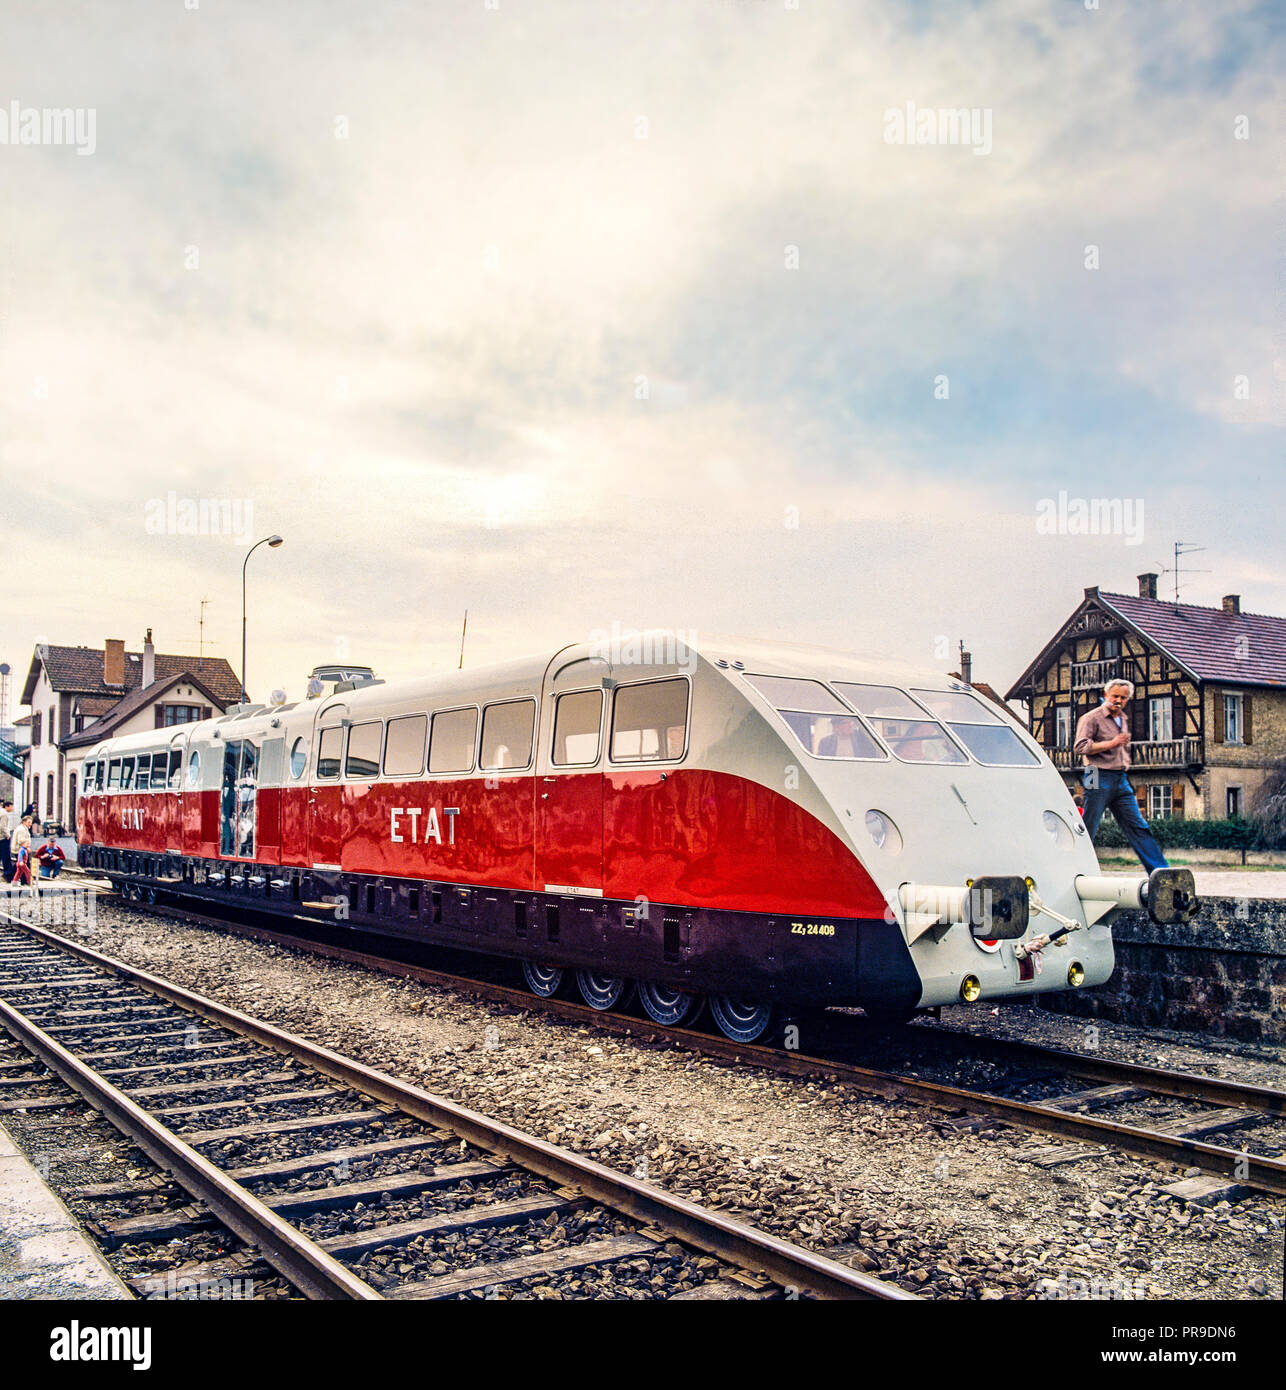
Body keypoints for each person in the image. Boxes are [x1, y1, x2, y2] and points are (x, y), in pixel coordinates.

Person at [1073, 680, 1168, 873]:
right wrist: (1112, 743)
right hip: (1095, 773)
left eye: (1123, 697)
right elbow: (1080, 747)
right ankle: (1076, 868)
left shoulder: (1122, 719)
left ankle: (1161, 871)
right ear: (1106, 695)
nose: (1118, 700)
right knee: (1089, 824)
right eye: (1115, 696)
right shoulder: (1091, 717)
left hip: (1120, 776)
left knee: (1138, 825)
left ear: (1128, 699)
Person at [10, 815, 34, 886]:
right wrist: (27, 847)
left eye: (31, 822)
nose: (30, 824)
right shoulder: (21, 829)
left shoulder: (24, 828)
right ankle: (26, 881)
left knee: (20, 867)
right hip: (19, 849)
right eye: (29, 822)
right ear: (24, 822)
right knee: (25, 866)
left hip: (21, 849)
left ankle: (14, 879)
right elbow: (21, 841)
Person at [0, 799, 12, 881]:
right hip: (2, 838)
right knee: (6, 857)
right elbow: (2, 826)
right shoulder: (4, 813)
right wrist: (7, 835)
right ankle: (7, 874)